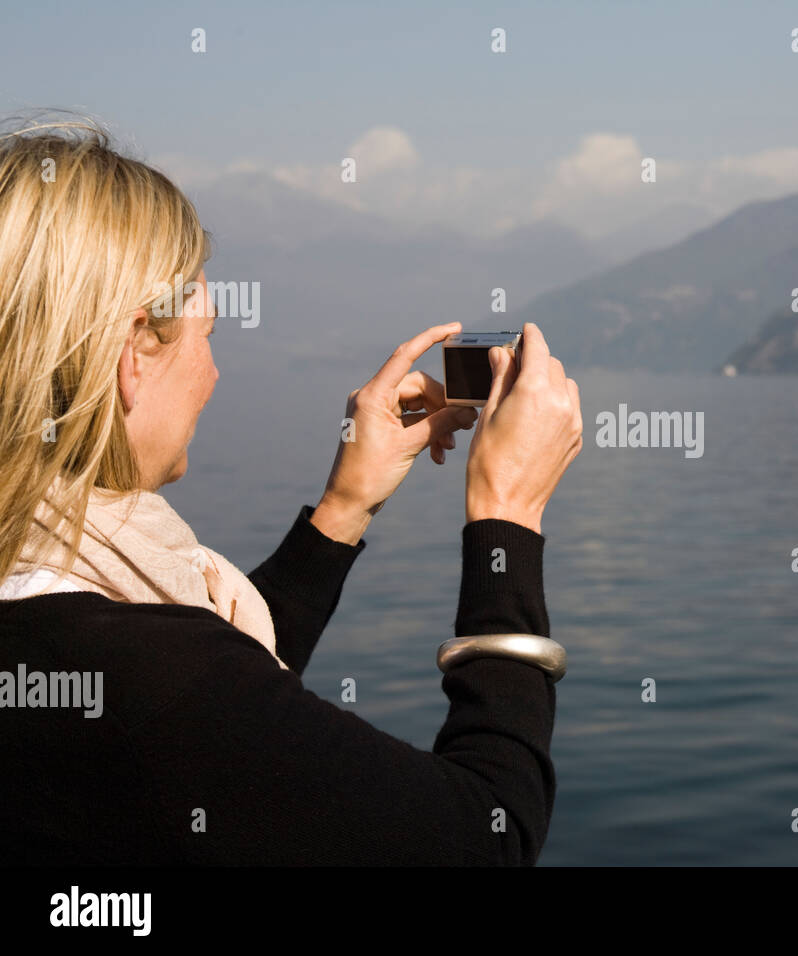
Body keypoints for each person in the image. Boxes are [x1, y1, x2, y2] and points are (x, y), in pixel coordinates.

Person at [0, 117, 583, 865]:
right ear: (135, 352)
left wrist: (345, 507)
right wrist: (508, 514)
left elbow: (234, 721)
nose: (214, 377)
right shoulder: (143, 680)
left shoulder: (54, 601)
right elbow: (486, 833)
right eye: (207, 338)